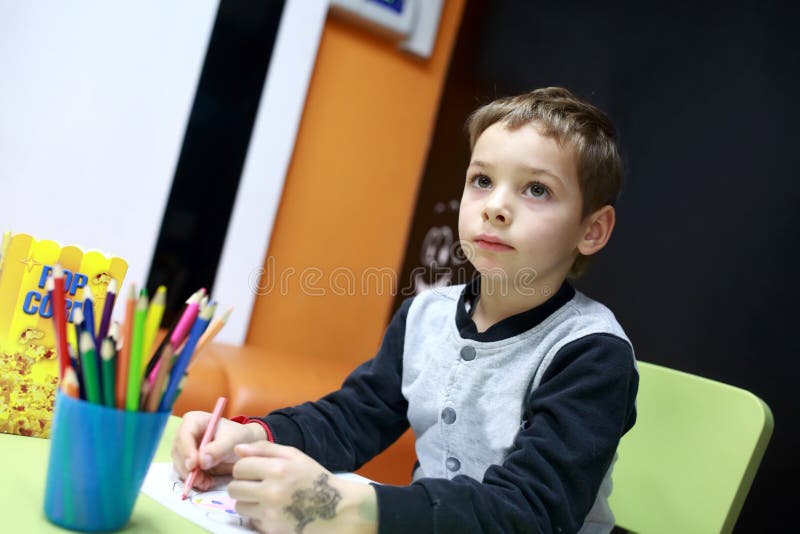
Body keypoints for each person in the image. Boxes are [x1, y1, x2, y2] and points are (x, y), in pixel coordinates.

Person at [172, 87, 639, 534]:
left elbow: (530, 513)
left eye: (536, 189)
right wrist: (253, 440)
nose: (496, 206)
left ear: (592, 230)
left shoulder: (593, 355)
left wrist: (346, 508)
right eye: (482, 180)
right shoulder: (425, 315)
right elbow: (354, 416)